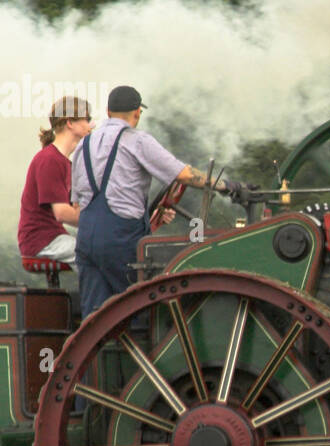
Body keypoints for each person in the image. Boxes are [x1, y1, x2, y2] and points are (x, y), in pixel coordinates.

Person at [72, 85, 235, 316]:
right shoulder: (137, 141)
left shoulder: (83, 145)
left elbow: (77, 201)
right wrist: (226, 186)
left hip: (86, 238)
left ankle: (99, 352)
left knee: (96, 318)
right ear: (138, 112)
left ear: (108, 112)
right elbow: (185, 175)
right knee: (140, 308)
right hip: (120, 239)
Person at [18, 96, 93, 264]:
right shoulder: (50, 160)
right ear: (70, 123)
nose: (90, 126)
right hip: (41, 241)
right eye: (86, 119)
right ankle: (98, 291)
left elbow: (76, 208)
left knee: (100, 249)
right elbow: (62, 213)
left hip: (52, 237)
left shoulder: (65, 162)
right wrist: (100, 223)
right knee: (93, 255)